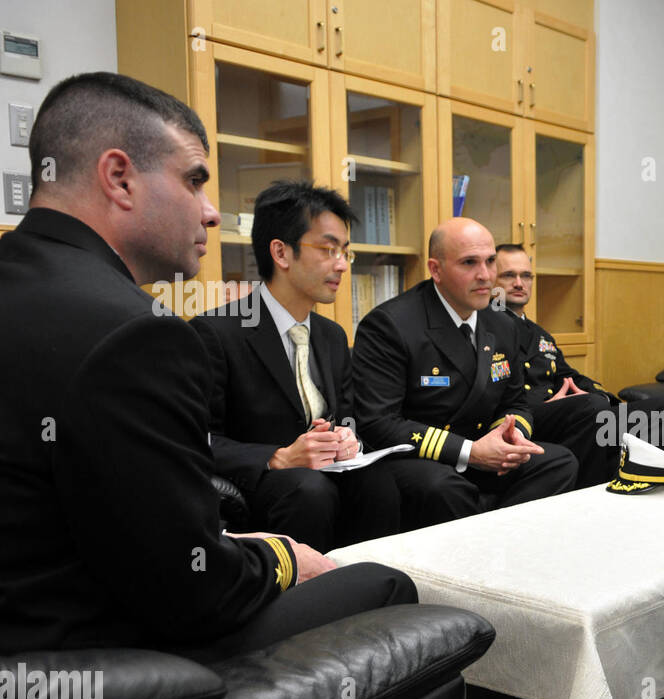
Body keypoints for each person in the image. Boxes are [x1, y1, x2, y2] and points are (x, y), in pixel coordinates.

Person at [0, 72, 415, 655]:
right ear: (119, 178)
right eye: (194, 181)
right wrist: (281, 555)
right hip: (95, 655)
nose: (212, 212)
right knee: (389, 586)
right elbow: (190, 587)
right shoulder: (139, 333)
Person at [192, 181, 453, 550]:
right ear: (281, 253)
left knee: (378, 483)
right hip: (268, 486)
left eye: (346, 252)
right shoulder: (216, 332)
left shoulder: (331, 335)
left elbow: (347, 416)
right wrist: (278, 457)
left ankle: (370, 581)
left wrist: (346, 438)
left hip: (327, 474)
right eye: (329, 250)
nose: (342, 265)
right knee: (309, 489)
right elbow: (198, 439)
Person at [351, 218, 577, 516]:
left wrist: (509, 436)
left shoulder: (502, 324)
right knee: (444, 488)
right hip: (421, 459)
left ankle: (494, 534)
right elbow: (379, 423)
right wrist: (470, 452)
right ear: (436, 270)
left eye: (490, 261)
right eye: (469, 263)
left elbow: (514, 402)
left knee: (559, 463)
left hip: (481, 447)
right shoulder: (391, 325)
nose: (485, 275)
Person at [493, 242, 664, 483]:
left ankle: (639, 485)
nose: (519, 283)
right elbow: (497, 394)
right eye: (509, 275)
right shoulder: (488, 329)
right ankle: (590, 494)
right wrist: (561, 403)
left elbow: (568, 375)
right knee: (590, 408)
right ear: (491, 280)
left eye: (526, 276)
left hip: (572, 412)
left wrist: (599, 396)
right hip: (526, 419)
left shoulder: (540, 334)